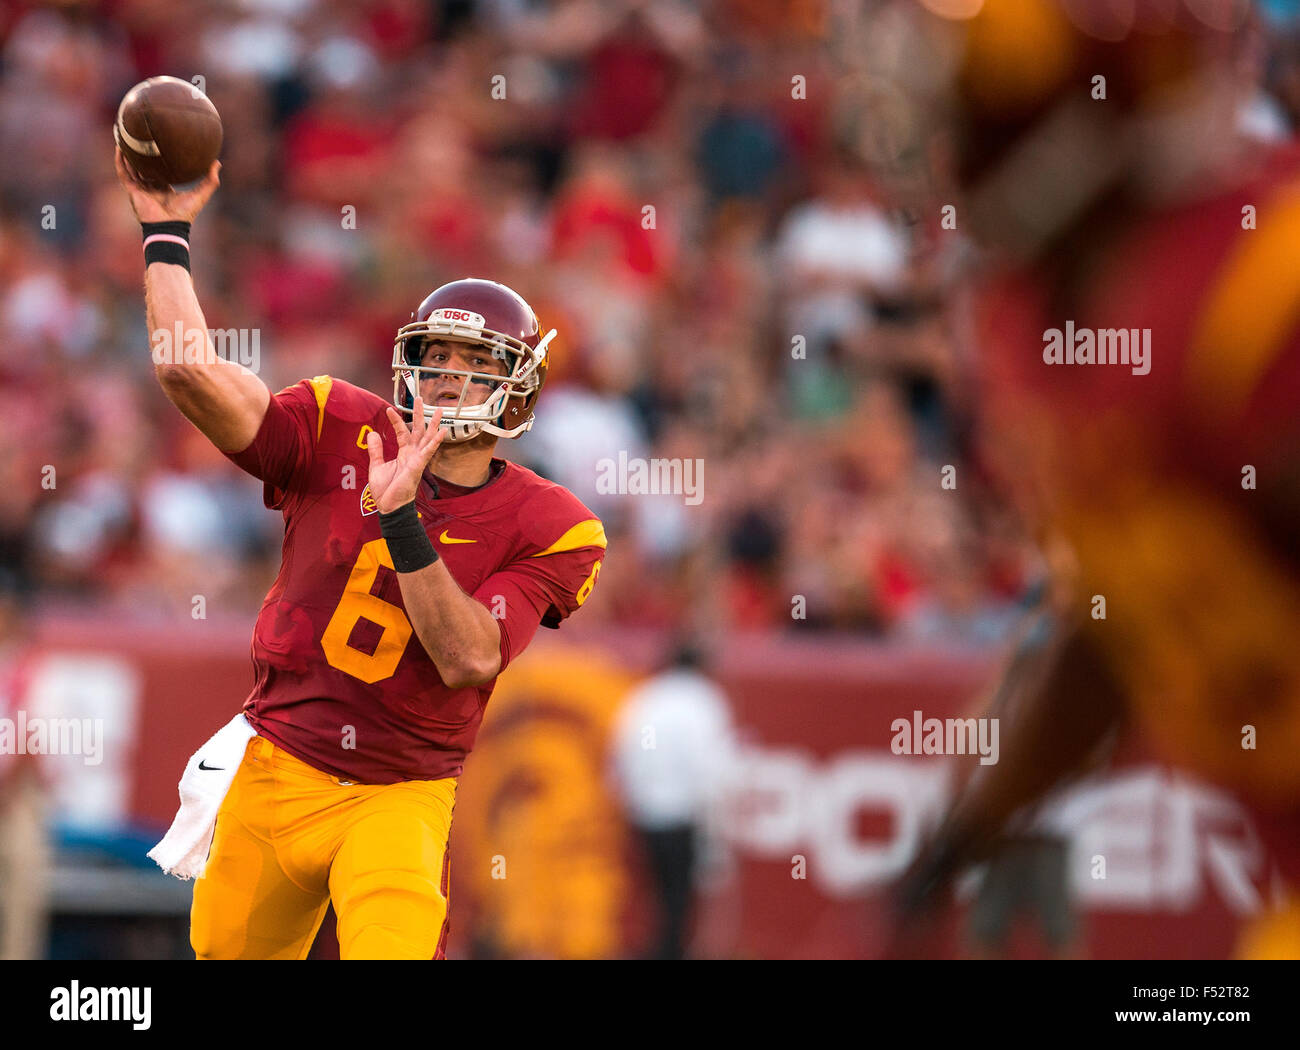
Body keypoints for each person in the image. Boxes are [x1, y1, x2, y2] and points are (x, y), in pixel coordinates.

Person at [116, 148, 607, 960]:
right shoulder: (334, 421)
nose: (449, 379)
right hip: (274, 769)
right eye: (438, 358)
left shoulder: (553, 523)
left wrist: (399, 513)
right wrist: (165, 228)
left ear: (518, 384)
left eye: (477, 363)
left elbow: (467, 657)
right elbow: (185, 370)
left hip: (399, 797)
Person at [891, 0, 1300, 959]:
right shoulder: (1029, 327)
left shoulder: (1260, 283)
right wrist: (964, 833)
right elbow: (1120, 616)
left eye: (982, 100)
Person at [610, 643, 736, 959]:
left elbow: (623, 750)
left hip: (646, 811)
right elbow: (710, 765)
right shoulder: (703, 700)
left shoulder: (648, 695)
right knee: (679, 895)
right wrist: (714, 819)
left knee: (657, 890)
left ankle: (660, 948)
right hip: (683, 814)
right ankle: (670, 951)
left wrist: (633, 798)